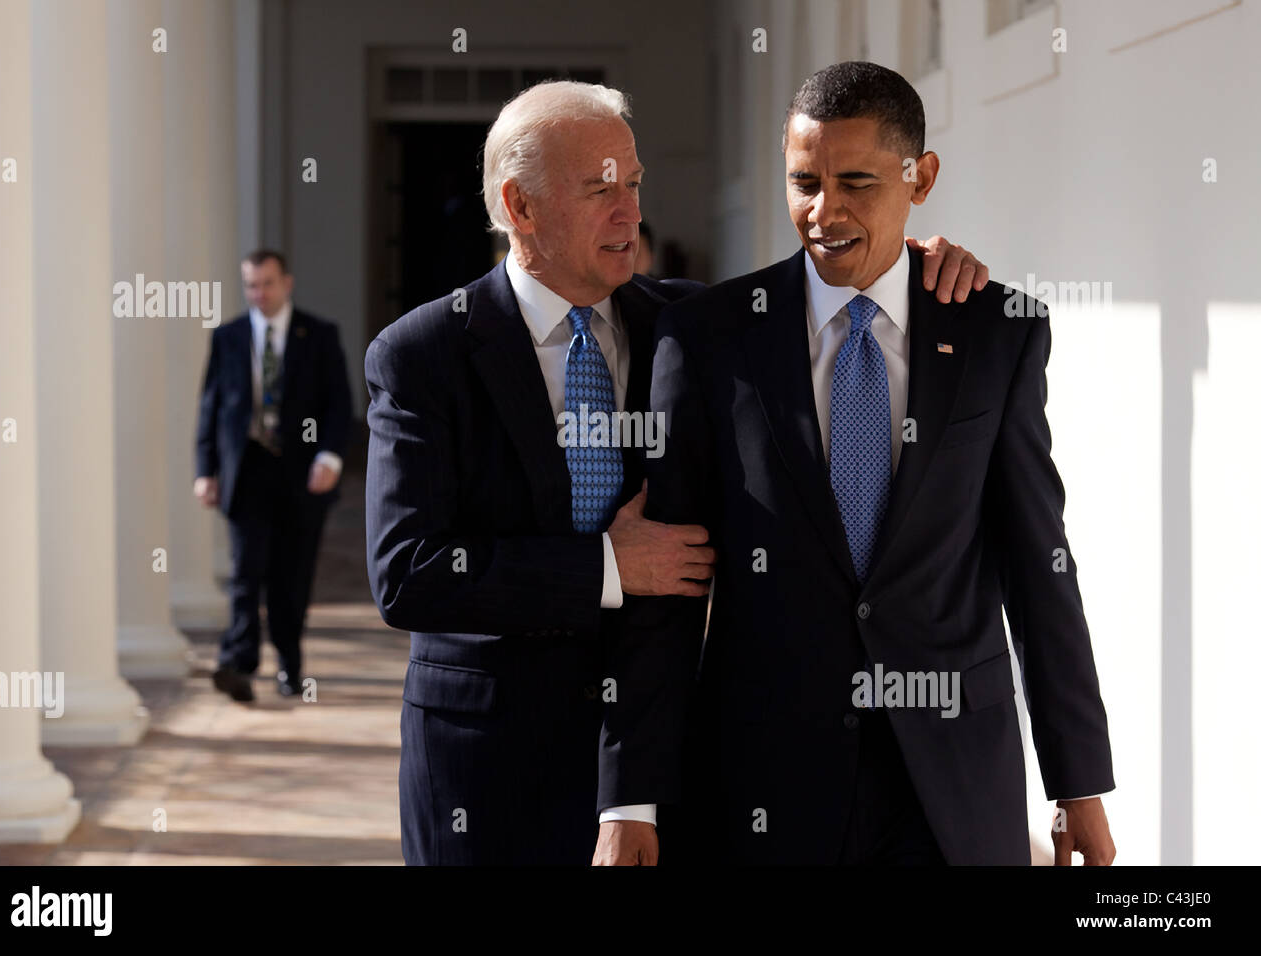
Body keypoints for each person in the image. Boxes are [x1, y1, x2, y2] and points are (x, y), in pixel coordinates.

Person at [364, 79, 986, 865]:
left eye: (634, 183)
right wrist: (608, 567)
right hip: (489, 766)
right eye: (600, 190)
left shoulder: (690, 327)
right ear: (519, 206)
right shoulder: (423, 354)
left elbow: (834, 274)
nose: (630, 211)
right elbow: (406, 574)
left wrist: (915, 262)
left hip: (666, 761)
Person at [597, 62, 1115, 866]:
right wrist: (630, 796)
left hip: (952, 782)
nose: (822, 211)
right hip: (765, 783)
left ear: (921, 178)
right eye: (803, 181)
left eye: (856, 183)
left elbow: (1037, 562)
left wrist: (1078, 781)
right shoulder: (708, 338)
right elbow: (669, 585)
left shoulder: (996, 332)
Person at [195, 250, 353, 702]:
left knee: (291, 575)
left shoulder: (319, 335)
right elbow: (211, 407)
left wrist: (330, 458)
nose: (258, 294)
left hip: (302, 476)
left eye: (266, 283)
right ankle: (238, 664)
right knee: (246, 571)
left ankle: (290, 665)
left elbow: (338, 404)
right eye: (250, 285)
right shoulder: (228, 337)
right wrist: (205, 470)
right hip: (246, 472)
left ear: (287, 283)